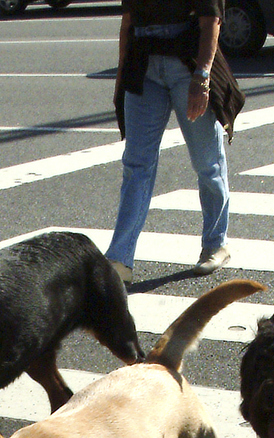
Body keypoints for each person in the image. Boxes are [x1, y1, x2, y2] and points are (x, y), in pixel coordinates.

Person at [108, 0, 244, 283]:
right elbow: (127, 22)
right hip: (143, 65)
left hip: (187, 65)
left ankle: (216, 243)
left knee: (207, 162)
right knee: (136, 164)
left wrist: (202, 77)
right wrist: (121, 79)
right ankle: (120, 259)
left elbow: (211, 22)